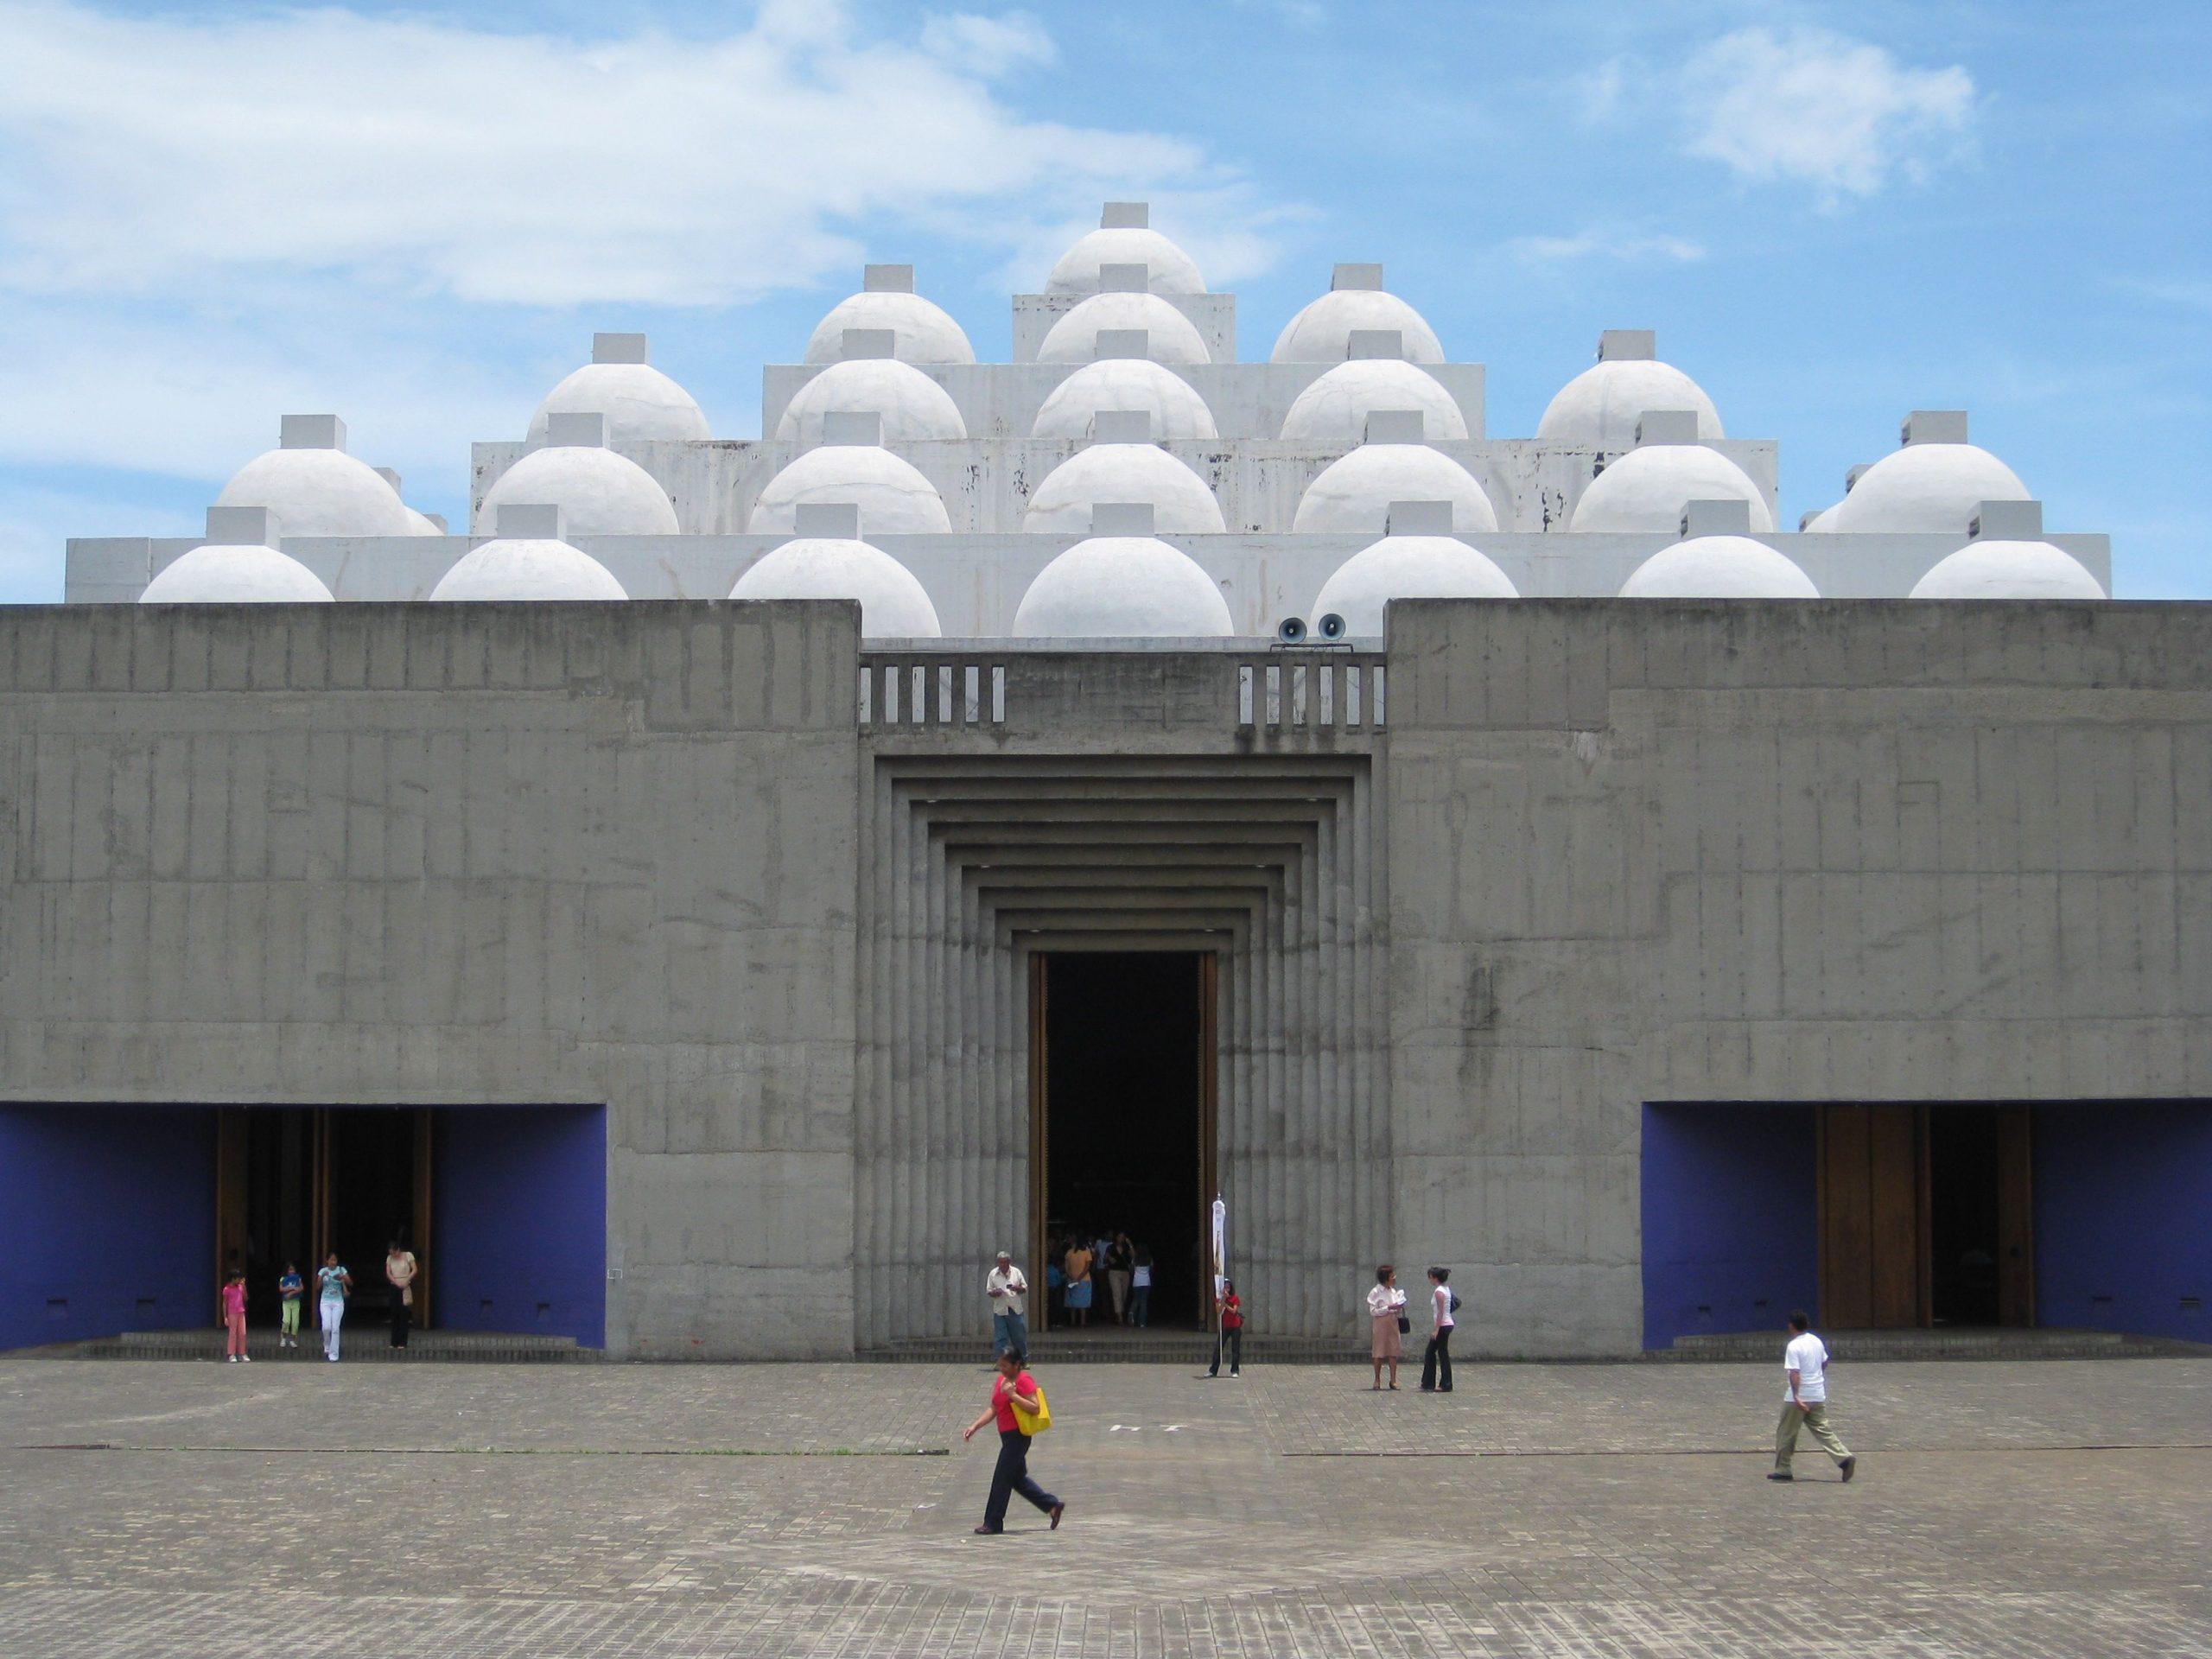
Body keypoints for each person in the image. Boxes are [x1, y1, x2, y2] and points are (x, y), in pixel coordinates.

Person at [962, 1351, 1065, 1535]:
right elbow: (994, 1408)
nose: (1001, 1369)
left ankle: (993, 1522)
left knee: (1001, 1478)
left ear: (1016, 1364)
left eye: (1005, 1365)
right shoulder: (1001, 1381)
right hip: (1007, 1437)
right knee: (1016, 1479)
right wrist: (975, 1426)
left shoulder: (1024, 1381)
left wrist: (1013, 1395)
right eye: (1000, 1365)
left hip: (1018, 1437)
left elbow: (1035, 1408)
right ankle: (1052, 1505)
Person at [1771, 1311, 1855, 1482]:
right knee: (1822, 1430)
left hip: (1800, 1396)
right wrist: (1818, 1375)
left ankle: (1783, 1468)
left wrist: (1796, 1396)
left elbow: (1795, 1373)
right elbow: (1825, 1361)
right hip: (1817, 1394)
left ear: (1791, 1326)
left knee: (1786, 1432)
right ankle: (1843, 1458)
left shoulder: (1794, 1346)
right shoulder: (1816, 1341)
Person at [1367, 1264, 1406, 1390]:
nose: (1395, 1278)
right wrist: (1388, 1308)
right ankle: (1377, 1379)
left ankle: (1393, 1380)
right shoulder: (1376, 1292)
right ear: (1386, 1278)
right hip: (1381, 1323)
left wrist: (1398, 1308)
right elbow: (1373, 1311)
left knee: (1393, 1351)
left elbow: (1396, 1307)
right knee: (1379, 1351)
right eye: (1392, 1276)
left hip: (1393, 1322)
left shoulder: (1393, 1291)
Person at [986, 1249, 1029, 1362]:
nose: (1003, 1265)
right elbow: (989, 1291)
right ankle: (1000, 1361)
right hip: (1000, 1310)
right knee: (1000, 1338)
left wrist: (1016, 1288)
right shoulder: (993, 1274)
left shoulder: (1016, 1272)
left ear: (1009, 1262)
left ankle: (1023, 1360)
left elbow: (1024, 1288)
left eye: (1005, 1262)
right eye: (1000, 1262)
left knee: (1019, 1337)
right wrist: (995, 1292)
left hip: (1015, 1309)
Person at [1420, 1267, 1456, 1393]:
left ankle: (1445, 1384)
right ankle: (1428, 1382)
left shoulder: (1439, 1292)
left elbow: (1440, 1312)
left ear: (1435, 1278)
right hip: (1446, 1324)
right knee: (1432, 1352)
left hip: (1443, 1325)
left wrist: (1436, 1329)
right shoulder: (1446, 1289)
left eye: (1430, 1276)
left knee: (1440, 1353)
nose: (1429, 1279)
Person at [316, 1253, 352, 1363]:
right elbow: (317, 1287)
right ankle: (326, 1344)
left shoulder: (342, 1270)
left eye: (335, 1260)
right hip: (325, 1302)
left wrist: (343, 1277)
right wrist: (322, 1277)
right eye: (331, 1260)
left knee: (335, 1328)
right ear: (327, 1261)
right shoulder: (323, 1271)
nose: (333, 1262)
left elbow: (350, 1282)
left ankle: (334, 1354)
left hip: (338, 1302)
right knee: (326, 1327)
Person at [385, 1239, 418, 1350]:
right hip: (394, 1284)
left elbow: (414, 1269)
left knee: (403, 1313)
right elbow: (388, 1272)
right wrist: (395, 1281)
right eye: (391, 1253)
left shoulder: (408, 1255)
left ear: (398, 1250)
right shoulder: (389, 1258)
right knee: (394, 1314)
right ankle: (394, 1341)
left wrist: (407, 1280)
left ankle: (402, 1342)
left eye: (394, 1252)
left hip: (405, 1284)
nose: (393, 1255)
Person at [1209, 1278, 1243, 1376]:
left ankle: (1235, 1370)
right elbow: (1218, 1311)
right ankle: (1213, 1370)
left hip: (1235, 1326)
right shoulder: (1219, 1298)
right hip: (1225, 1326)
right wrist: (1223, 1300)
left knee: (1235, 1349)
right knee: (1218, 1348)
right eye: (1225, 1287)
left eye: (1228, 1287)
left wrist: (1226, 1304)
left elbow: (1234, 1311)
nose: (1226, 1289)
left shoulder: (1234, 1298)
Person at [219, 1269, 250, 1363]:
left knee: (242, 1333)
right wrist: (225, 1317)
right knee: (233, 1333)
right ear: (233, 1279)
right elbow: (224, 1303)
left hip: (241, 1312)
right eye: (238, 1279)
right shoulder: (226, 1289)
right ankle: (231, 1354)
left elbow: (246, 1298)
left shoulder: (240, 1287)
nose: (239, 1281)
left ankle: (242, 1353)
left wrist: (244, 1287)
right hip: (232, 1313)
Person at [1063, 1237, 1093, 1329]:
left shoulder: (1069, 1253)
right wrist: (1079, 1278)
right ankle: (1082, 1322)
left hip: (1072, 1280)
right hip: (1084, 1280)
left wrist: (1072, 1277)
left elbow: (1066, 1268)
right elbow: (1087, 1267)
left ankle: (1073, 1321)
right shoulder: (1086, 1252)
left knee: (1072, 1302)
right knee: (1083, 1302)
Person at [1106, 1233, 1133, 1325]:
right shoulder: (1111, 1247)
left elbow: (1134, 1257)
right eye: (1119, 1237)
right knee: (1117, 1293)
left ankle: (1120, 1312)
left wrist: (1130, 1244)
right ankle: (1120, 1317)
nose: (1121, 1239)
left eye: (1123, 1237)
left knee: (1124, 1294)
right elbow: (1105, 1258)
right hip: (1114, 1272)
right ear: (1116, 1237)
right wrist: (1109, 1258)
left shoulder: (1127, 1248)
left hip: (1125, 1272)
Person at [276, 1262, 304, 1349]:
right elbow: (281, 1289)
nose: (292, 1271)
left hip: (296, 1302)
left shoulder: (298, 1278)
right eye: (290, 1270)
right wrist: (292, 1288)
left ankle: (293, 1340)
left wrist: (291, 1293)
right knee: (286, 1321)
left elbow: (301, 1288)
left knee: (295, 1322)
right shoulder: (283, 1278)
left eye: (293, 1270)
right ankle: (283, 1338)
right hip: (286, 1302)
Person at [1129, 1245, 1153, 1329]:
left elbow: (1131, 1271)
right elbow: (1151, 1270)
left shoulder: (1134, 1259)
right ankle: (1142, 1323)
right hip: (1146, 1282)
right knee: (1144, 1302)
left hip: (1136, 1282)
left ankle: (1131, 1313)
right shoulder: (1149, 1259)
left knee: (1136, 1299)